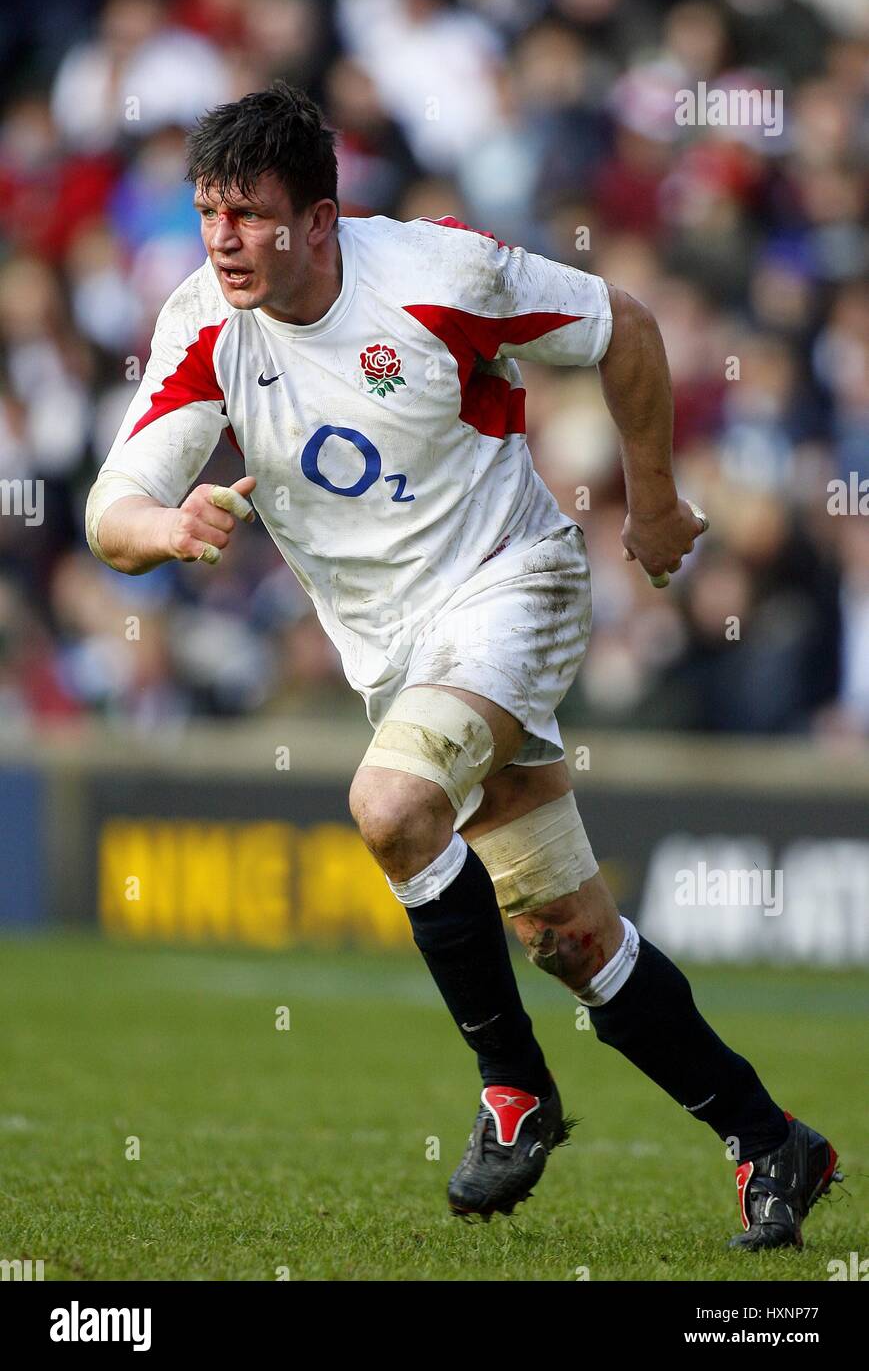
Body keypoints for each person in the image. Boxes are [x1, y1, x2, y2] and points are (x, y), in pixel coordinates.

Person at [85, 81, 840, 1247]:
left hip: (510, 583)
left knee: (388, 805)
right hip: (397, 656)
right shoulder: (204, 327)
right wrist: (167, 527)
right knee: (569, 938)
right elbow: (108, 513)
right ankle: (767, 1139)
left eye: (251, 215)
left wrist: (652, 502)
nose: (224, 240)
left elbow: (622, 324)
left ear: (322, 219)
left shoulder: (440, 274)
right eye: (208, 215)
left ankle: (513, 1090)